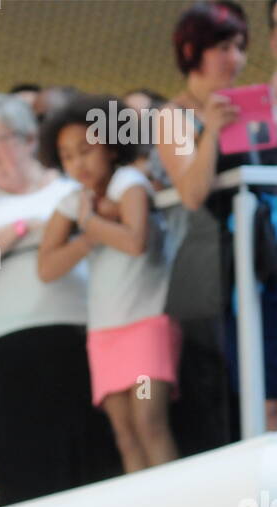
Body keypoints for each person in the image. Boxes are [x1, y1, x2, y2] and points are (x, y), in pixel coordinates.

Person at [0, 94, 119, 507]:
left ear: (31, 138)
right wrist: (22, 228)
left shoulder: (68, 186)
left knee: (84, 451)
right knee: (23, 463)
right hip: (5, 341)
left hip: (76, 331)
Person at [38, 94, 181, 472]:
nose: (77, 163)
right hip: (104, 334)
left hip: (146, 324)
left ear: (112, 145)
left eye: (85, 149)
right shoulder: (76, 201)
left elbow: (136, 242)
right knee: (125, 434)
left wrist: (89, 224)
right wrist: (90, 235)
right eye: (67, 156)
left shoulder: (129, 181)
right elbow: (47, 266)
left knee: (150, 424)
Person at [156, 2, 277, 441]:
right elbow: (191, 193)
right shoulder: (172, 116)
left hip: (269, 254)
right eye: (223, 47)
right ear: (194, 51)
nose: (236, 59)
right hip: (224, 272)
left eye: (241, 47)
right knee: (256, 390)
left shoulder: (256, 103)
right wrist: (209, 131)